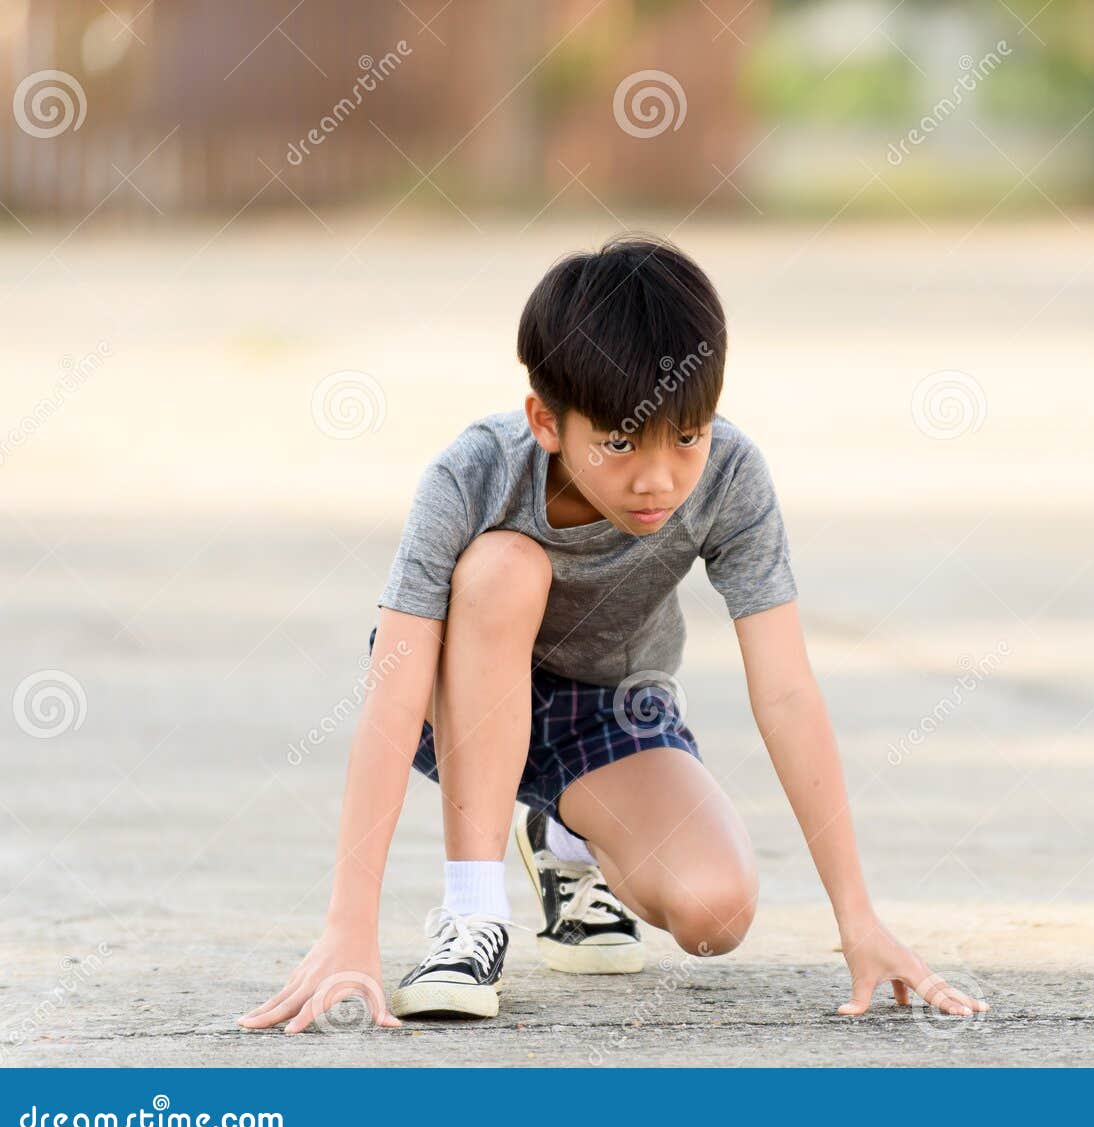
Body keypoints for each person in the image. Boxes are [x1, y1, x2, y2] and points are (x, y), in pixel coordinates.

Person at [239, 234, 985, 1031]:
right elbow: (393, 690)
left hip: (613, 710)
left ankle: (562, 837)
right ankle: (473, 913)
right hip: (455, 694)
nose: (658, 477)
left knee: (714, 914)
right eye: (622, 443)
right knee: (504, 567)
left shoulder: (732, 477)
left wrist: (857, 919)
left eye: (687, 436)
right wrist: (349, 929)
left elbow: (788, 691)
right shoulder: (475, 473)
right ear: (547, 421)